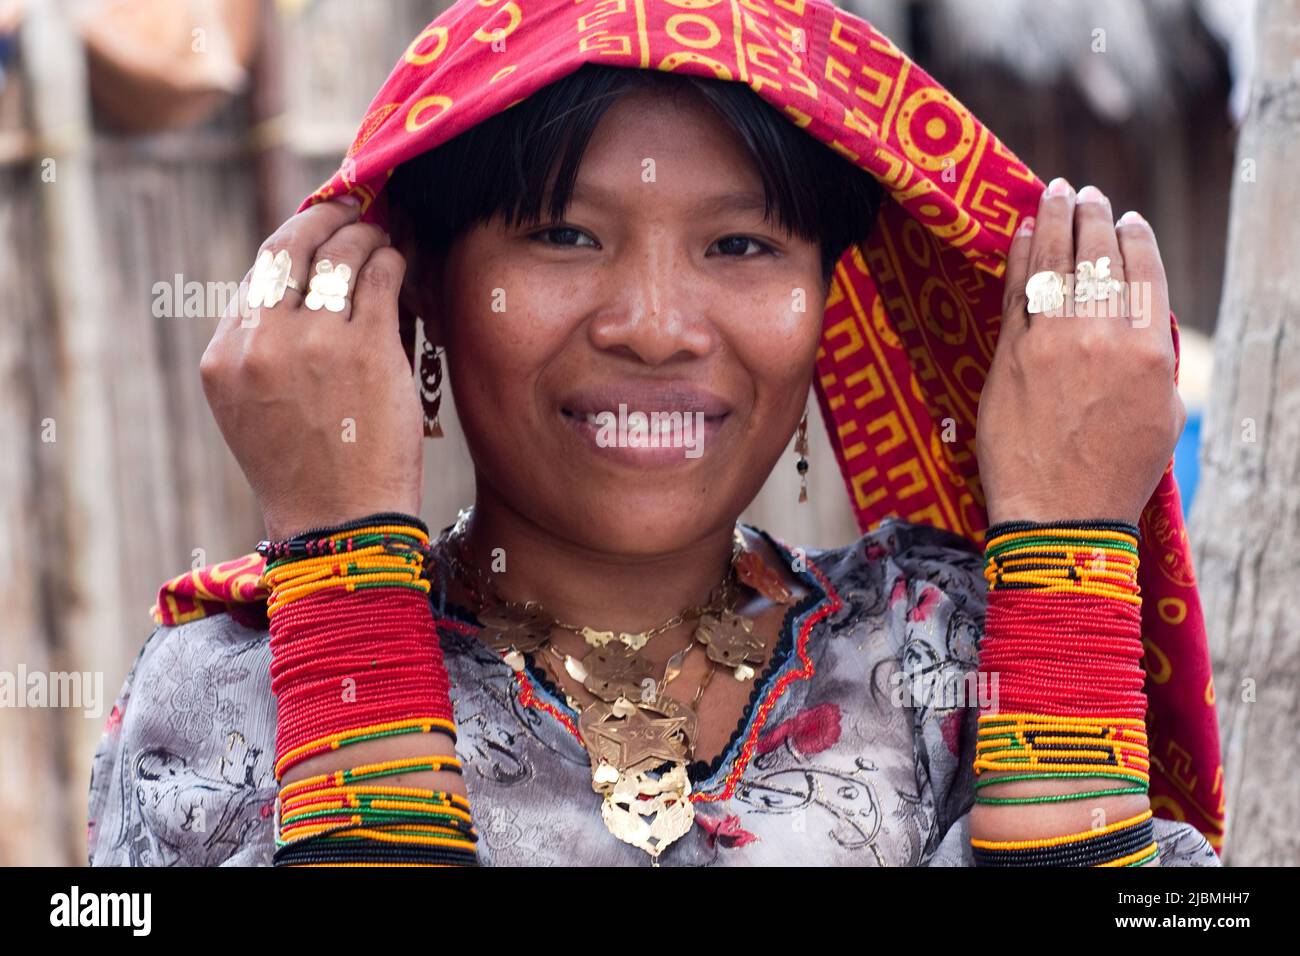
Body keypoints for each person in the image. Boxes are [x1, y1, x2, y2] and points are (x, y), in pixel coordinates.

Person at [88, 0, 1223, 867]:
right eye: (564, 235)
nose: (655, 328)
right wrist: (343, 583)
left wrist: (1069, 547)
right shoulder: (237, 693)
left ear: (831, 304)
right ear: (416, 289)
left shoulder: (953, 653)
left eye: (740, 247)